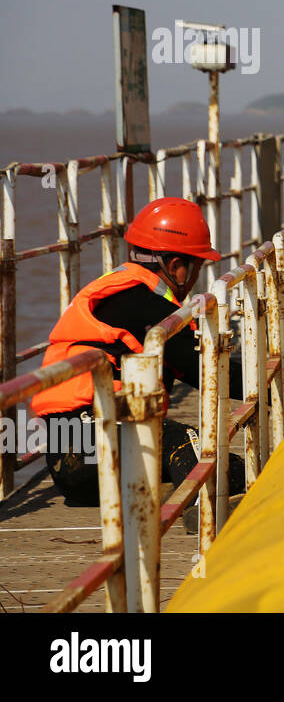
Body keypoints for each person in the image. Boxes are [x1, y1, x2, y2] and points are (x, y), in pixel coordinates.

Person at [33, 197, 245, 509]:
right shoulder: (152, 308)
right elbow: (208, 370)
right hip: (101, 442)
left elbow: (188, 367)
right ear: (176, 266)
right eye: (197, 265)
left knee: (170, 443)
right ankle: (201, 510)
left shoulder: (116, 292)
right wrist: (280, 384)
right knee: (211, 455)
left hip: (66, 459)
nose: (197, 276)